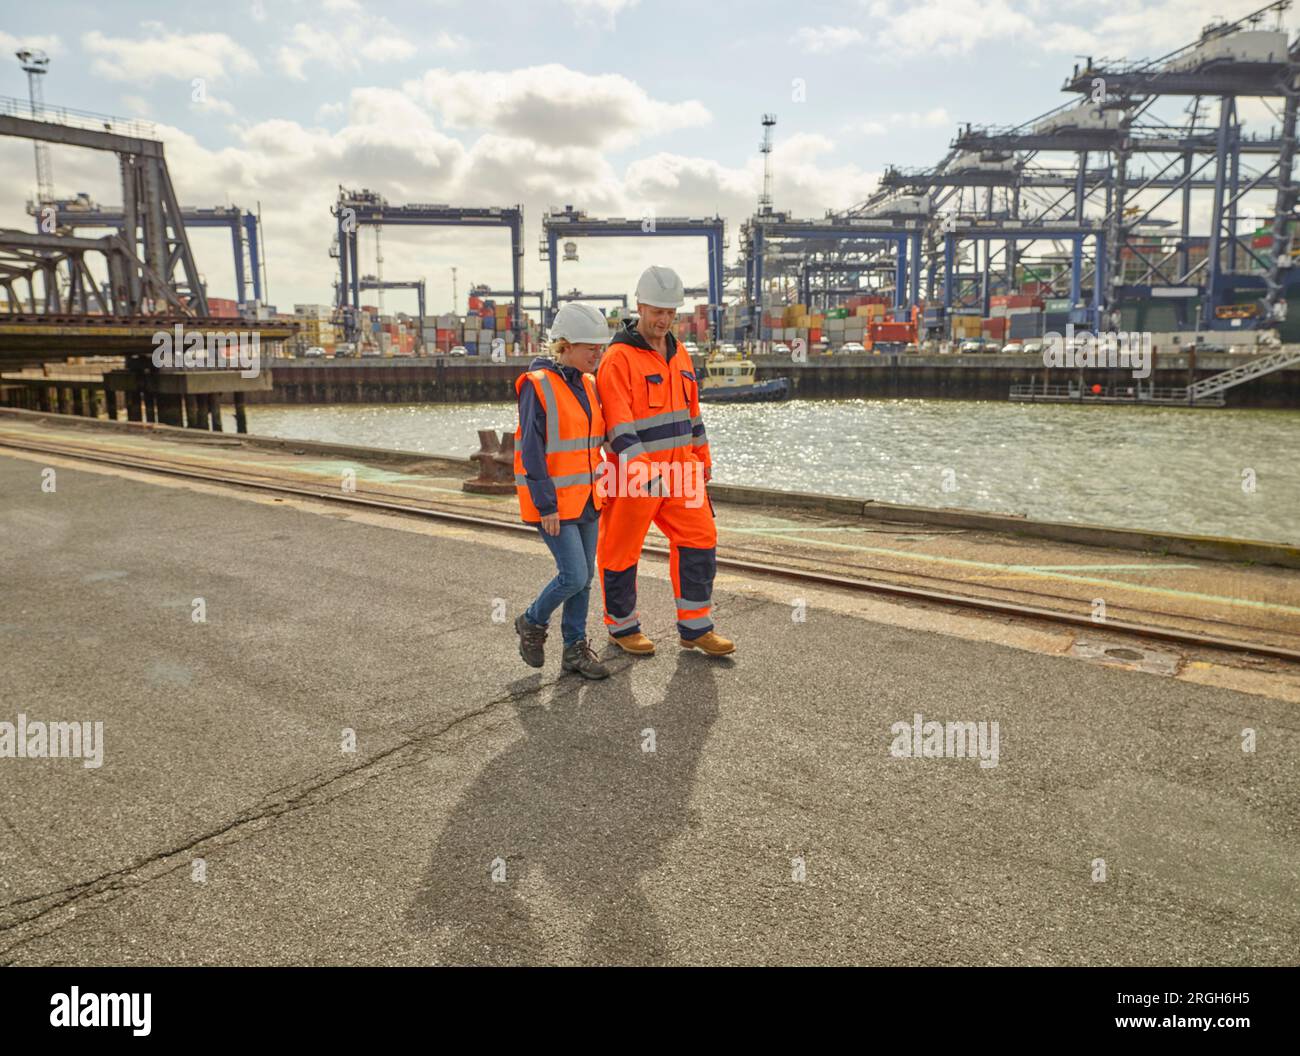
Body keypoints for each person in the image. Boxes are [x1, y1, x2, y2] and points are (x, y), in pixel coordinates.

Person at [595, 265, 735, 657]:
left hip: (682, 472)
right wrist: (643, 473)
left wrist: (702, 460)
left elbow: (693, 415)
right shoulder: (618, 359)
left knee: (701, 539)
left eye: (671, 312)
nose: (665, 320)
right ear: (639, 306)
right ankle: (621, 628)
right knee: (621, 550)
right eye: (658, 311)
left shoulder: (680, 355)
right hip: (634, 475)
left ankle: (695, 627)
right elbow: (618, 425)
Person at [513, 302, 612, 679]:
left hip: (587, 499)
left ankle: (574, 649)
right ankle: (531, 621)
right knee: (572, 575)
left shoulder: (588, 385)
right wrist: (545, 504)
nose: (597, 354)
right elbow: (531, 451)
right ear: (565, 345)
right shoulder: (537, 386)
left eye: (600, 348)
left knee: (585, 577)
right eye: (591, 347)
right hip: (554, 502)